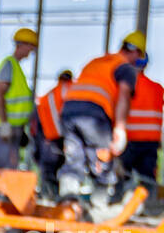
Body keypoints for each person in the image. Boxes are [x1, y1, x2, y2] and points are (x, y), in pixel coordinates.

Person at [58, 31, 146, 218]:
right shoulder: (125, 68)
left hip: (69, 111)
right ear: (136, 53)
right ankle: (99, 210)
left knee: (74, 159)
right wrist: (120, 128)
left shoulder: (97, 61)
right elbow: (123, 96)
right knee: (102, 159)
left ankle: (67, 205)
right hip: (93, 114)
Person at [0, 27, 38, 169]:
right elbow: (0, 95)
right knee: (6, 164)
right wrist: (4, 124)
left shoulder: (15, 67)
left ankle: (5, 191)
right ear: (21, 45)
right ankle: (1, 191)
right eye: (31, 47)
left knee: (11, 162)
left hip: (13, 126)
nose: (31, 52)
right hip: (4, 126)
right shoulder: (9, 65)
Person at [120, 58, 164, 194]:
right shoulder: (158, 89)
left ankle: (120, 200)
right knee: (147, 176)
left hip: (129, 137)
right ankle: (147, 203)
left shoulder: (125, 86)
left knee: (123, 173)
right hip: (151, 140)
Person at [30, 70, 72, 198]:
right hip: (67, 140)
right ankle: (65, 198)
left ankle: (48, 196)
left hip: (48, 140)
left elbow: (35, 124)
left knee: (48, 172)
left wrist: (37, 147)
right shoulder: (73, 92)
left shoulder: (47, 97)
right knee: (67, 171)